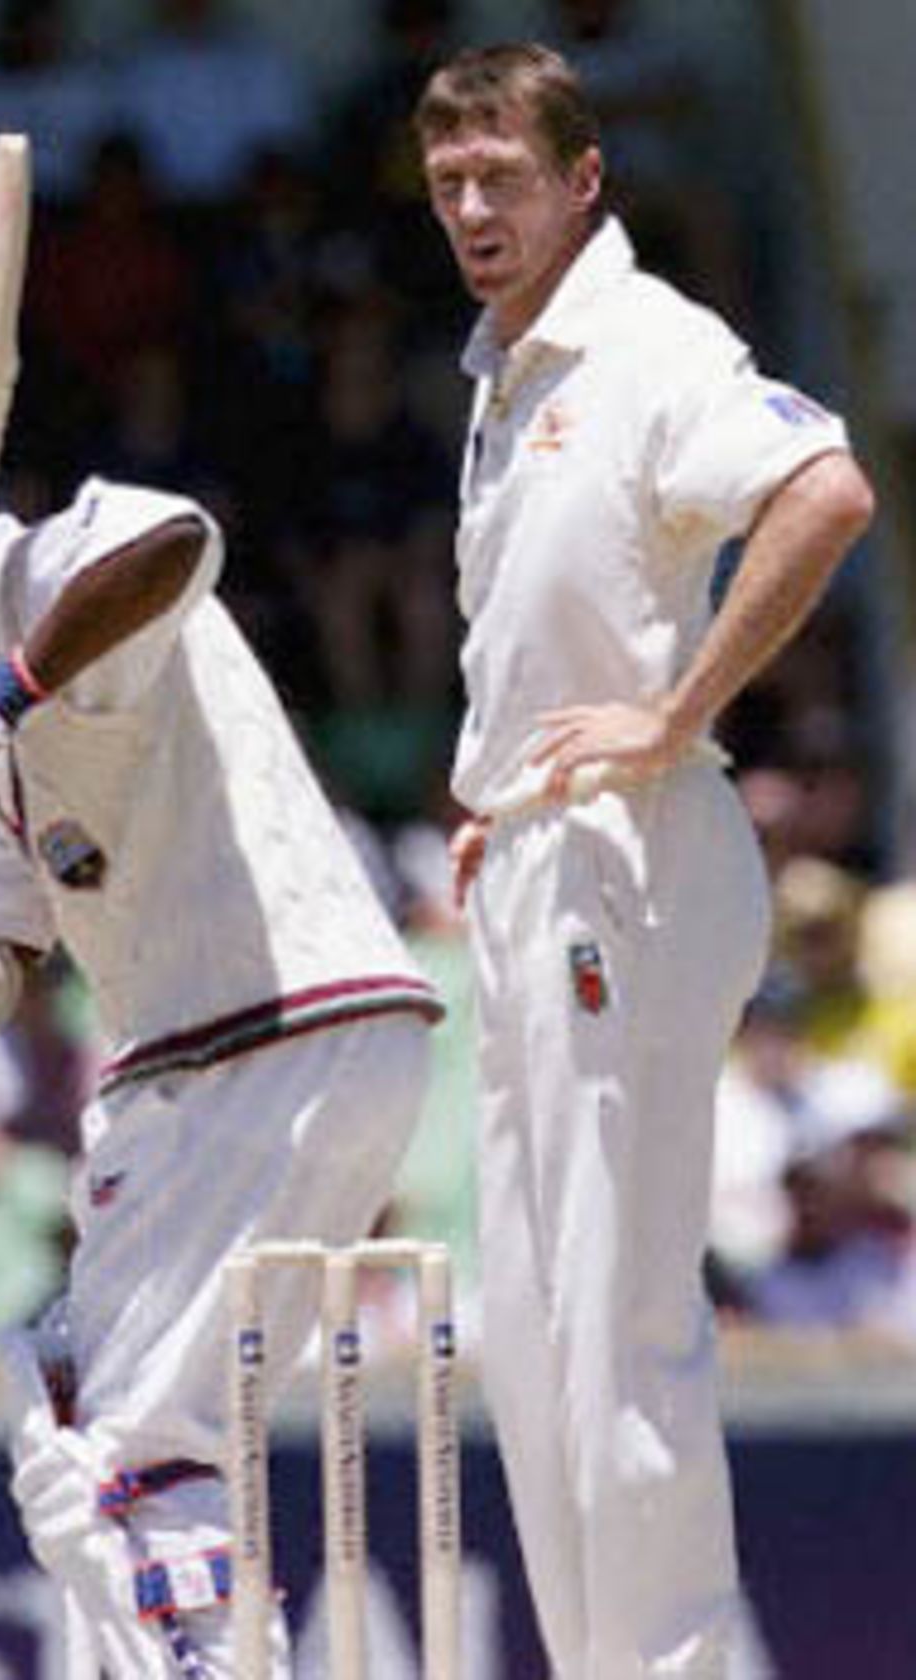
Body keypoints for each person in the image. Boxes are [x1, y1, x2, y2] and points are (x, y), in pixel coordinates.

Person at [0, 459, 442, 1676]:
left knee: (125, 1442)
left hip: (258, 1037)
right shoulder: (1, 757)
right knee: (69, 1405)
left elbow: (178, 538)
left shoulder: (39, 579)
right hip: (257, 1058)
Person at [414, 42, 875, 1680]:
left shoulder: (654, 341)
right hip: (543, 858)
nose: (471, 207)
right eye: (449, 180)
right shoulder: (507, 369)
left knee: (621, 1317)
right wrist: (498, 799)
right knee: (533, 1332)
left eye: (503, 179)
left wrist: (674, 716)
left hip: (634, 856)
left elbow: (825, 492)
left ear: (581, 180)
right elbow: (545, 620)